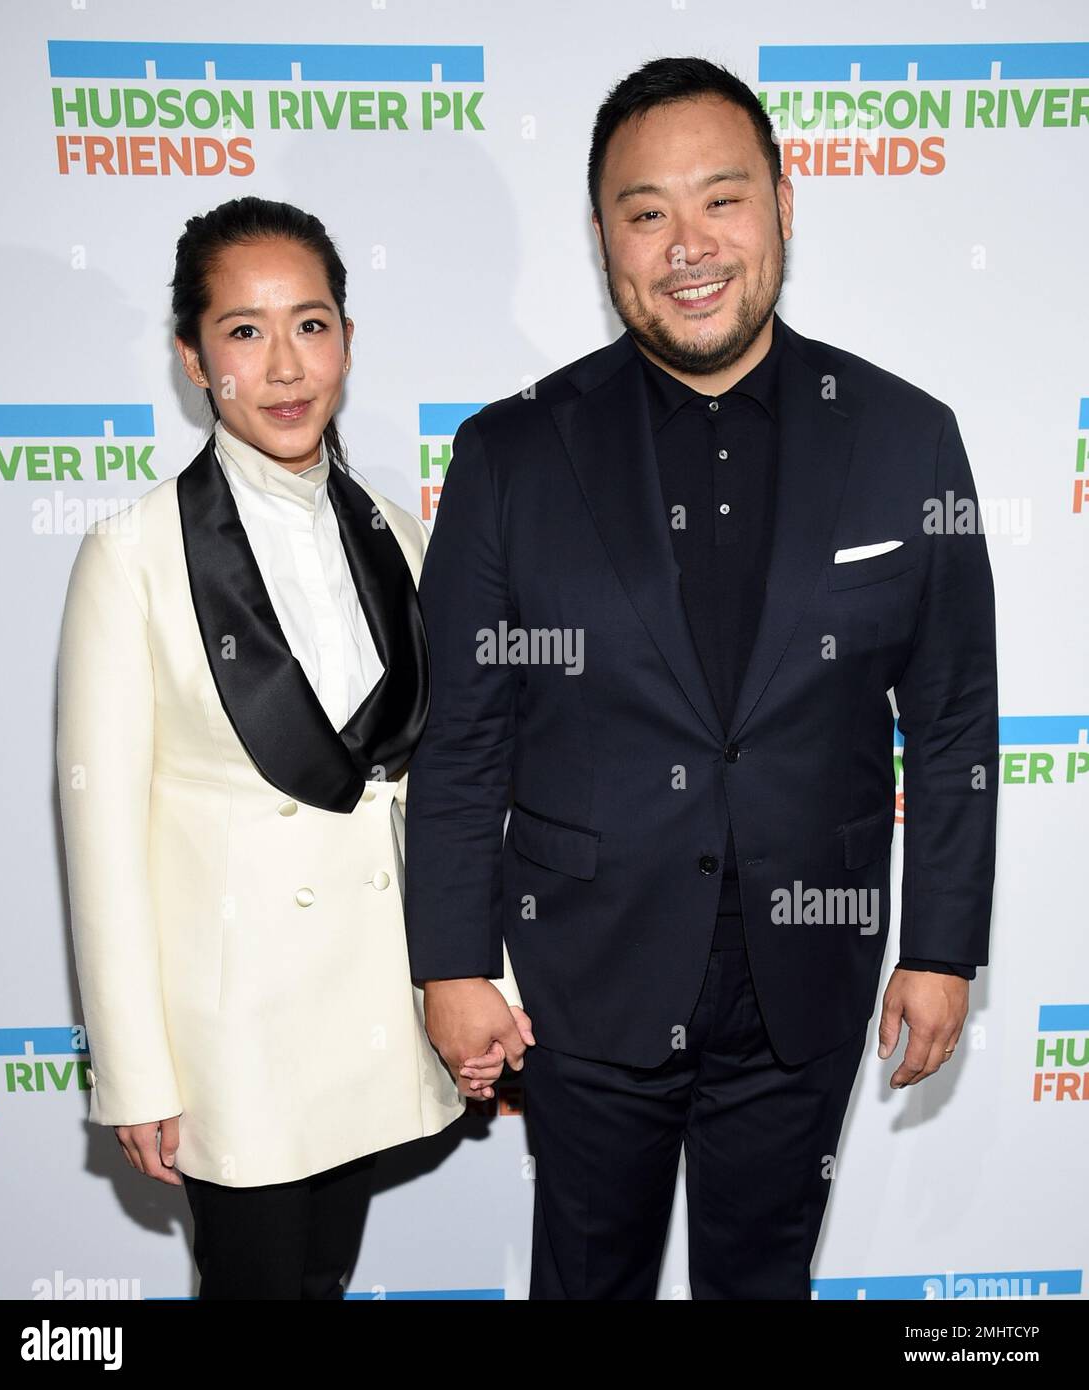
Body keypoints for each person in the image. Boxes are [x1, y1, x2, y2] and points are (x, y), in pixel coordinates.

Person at [403, 58, 998, 1299]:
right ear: (602, 239)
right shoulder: (510, 451)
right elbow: (464, 733)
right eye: (644, 211)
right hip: (582, 969)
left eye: (721, 199)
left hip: (808, 967)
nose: (688, 245)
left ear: (784, 204)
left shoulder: (904, 436)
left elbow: (948, 724)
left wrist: (940, 946)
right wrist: (450, 964)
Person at [55, 195, 524, 1300]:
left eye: (310, 325)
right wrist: (134, 1069)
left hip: (369, 1007)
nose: (282, 365)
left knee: (321, 1282)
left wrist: (483, 979)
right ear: (191, 356)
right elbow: (102, 832)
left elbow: (438, 793)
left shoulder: (405, 534)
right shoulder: (130, 555)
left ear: (348, 342)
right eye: (243, 330)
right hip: (236, 1040)